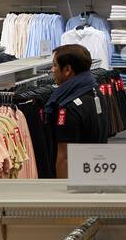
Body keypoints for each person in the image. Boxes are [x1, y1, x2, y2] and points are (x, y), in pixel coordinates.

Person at [45, 43, 107, 177]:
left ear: (67, 69)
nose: (52, 69)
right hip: (96, 171)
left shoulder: (67, 108)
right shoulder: (96, 92)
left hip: (78, 179)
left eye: (55, 65)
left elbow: (65, 158)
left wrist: (64, 196)